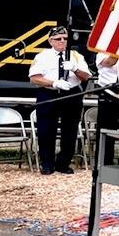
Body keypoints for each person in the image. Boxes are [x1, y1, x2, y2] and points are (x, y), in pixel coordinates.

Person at [28, 26, 92, 175]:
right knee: (46, 129)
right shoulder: (43, 56)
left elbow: (86, 77)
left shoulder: (76, 56)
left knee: (69, 130)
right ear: (50, 41)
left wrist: (75, 68)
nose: (62, 41)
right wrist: (53, 83)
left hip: (71, 94)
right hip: (49, 93)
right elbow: (34, 78)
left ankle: (63, 163)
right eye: (58, 39)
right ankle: (47, 164)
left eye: (65, 38)